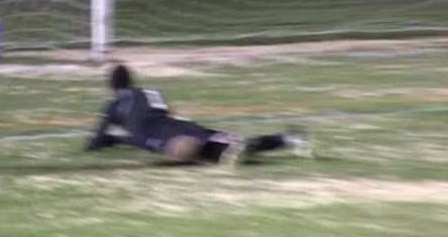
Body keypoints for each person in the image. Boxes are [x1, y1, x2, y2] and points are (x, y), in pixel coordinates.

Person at [84, 63, 312, 167]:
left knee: (188, 149)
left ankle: (230, 151)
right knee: (224, 142)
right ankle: (286, 138)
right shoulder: (151, 92)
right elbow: (164, 112)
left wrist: (109, 140)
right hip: (178, 124)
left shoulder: (113, 106)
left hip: (156, 136)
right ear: (132, 80)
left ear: (112, 87)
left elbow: (94, 141)